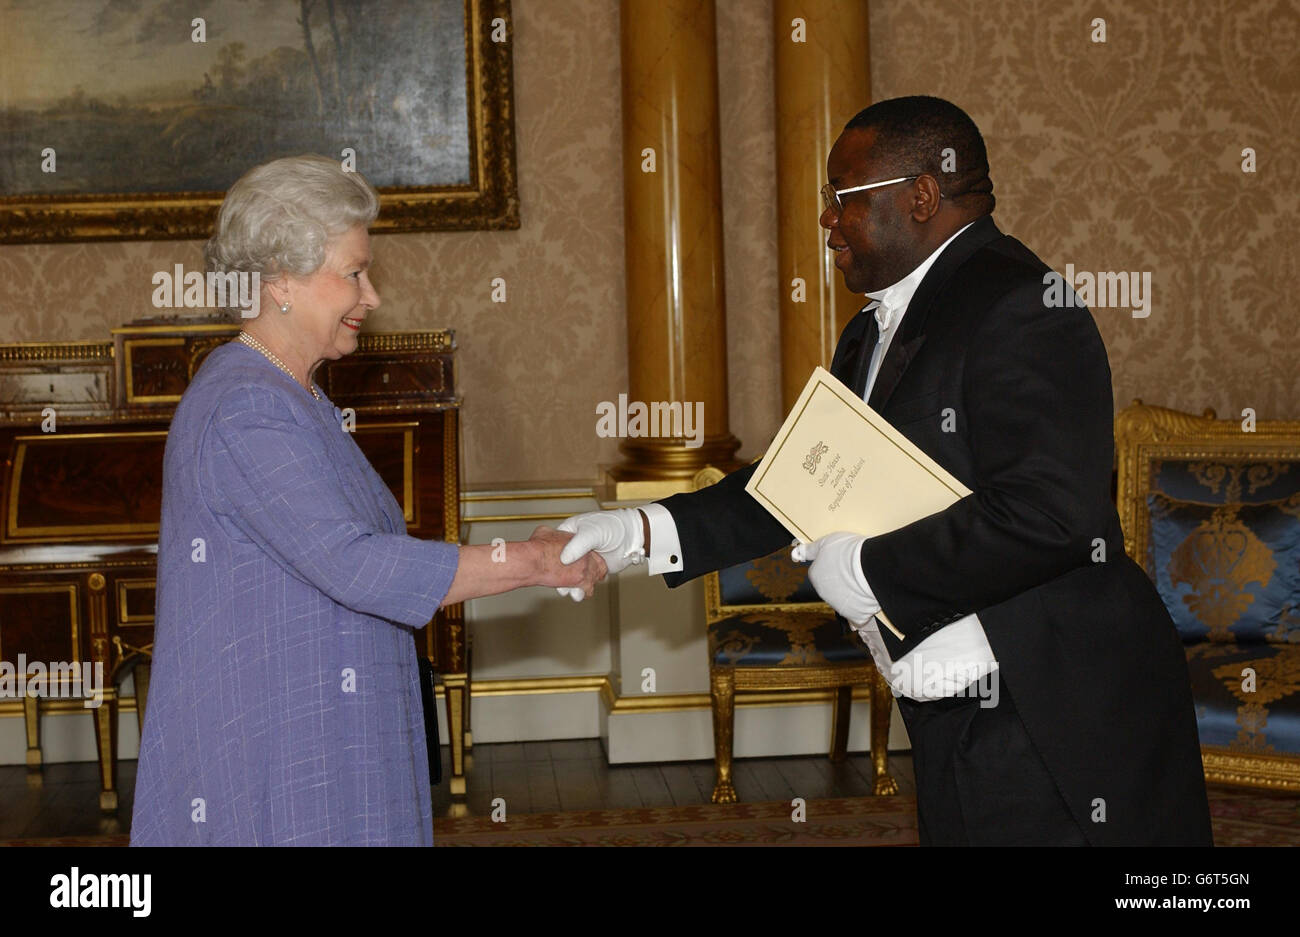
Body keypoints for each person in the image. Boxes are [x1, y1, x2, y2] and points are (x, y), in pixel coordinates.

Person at [557, 97, 1212, 846]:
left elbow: (1052, 512)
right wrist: (637, 531)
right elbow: (794, 483)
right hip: (951, 704)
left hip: (1061, 708)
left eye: (842, 197)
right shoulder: (867, 331)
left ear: (922, 194)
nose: (827, 220)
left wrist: (870, 568)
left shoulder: (1023, 302)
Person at [130, 155, 605, 846]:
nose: (372, 295)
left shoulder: (295, 395)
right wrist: (531, 561)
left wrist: (525, 555)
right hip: (276, 753)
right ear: (281, 281)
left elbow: (367, 557)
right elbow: (356, 565)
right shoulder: (245, 406)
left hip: (324, 732)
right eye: (353, 272)